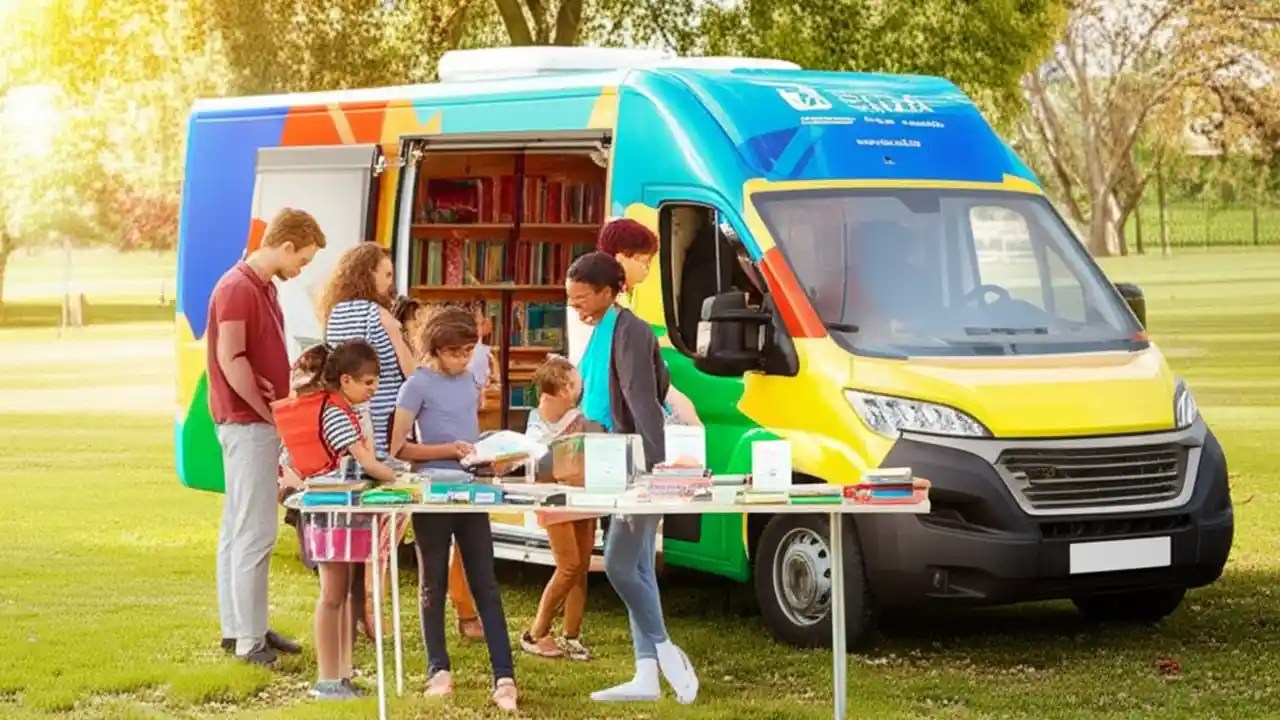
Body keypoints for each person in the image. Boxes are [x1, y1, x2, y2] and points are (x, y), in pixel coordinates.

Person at [565, 252, 699, 704]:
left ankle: (664, 651)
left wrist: (655, 471)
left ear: (609, 291)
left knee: (621, 564)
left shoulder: (630, 331)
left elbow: (643, 402)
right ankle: (646, 675)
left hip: (636, 466)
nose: (576, 307)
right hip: (610, 463)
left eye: (583, 298)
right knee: (638, 566)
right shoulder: (603, 331)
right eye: (572, 299)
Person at [208, 207, 322, 666]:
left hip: (254, 421)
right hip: (247, 423)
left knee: (239, 528)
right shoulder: (237, 288)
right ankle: (248, 639)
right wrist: (268, 411)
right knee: (254, 530)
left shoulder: (263, 288)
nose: (302, 270)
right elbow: (231, 357)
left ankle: (242, 627)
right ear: (286, 245)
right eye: (304, 260)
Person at [390, 311, 519, 712]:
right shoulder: (416, 386)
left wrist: (487, 456)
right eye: (455, 352)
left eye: (469, 351)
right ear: (435, 350)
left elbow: (469, 434)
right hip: (433, 491)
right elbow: (399, 449)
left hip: (470, 489)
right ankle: (438, 670)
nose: (464, 359)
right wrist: (448, 450)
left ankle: (505, 676)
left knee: (485, 580)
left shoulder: (469, 381)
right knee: (433, 582)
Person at [276, 340, 400, 700]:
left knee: (347, 592)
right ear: (345, 380)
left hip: (342, 510)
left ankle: (342, 674)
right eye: (368, 382)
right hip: (329, 512)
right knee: (333, 593)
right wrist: (400, 478)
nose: (374, 389)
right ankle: (328, 679)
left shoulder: (342, 409)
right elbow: (367, 461)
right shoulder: (335, 413)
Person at [519, 355, 595, 661]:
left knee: (581, 568)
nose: (580, 387)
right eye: (575, 382)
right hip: (554, 498)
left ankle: (571, 634)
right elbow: (538, 457)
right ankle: (536, 631)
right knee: (569, 565)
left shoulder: (577, 416)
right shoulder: (542, 419)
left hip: (581, 496)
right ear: (563, 387)